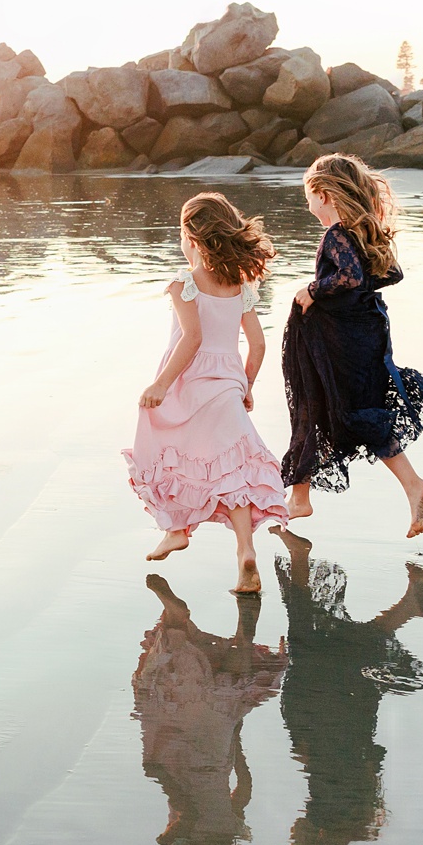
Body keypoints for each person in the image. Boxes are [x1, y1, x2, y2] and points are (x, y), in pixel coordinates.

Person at [124, 192, 289, 594]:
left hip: (189, 382)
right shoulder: (240, 285)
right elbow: (259, 345)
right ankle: (245, 551)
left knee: (166, 447)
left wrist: (160, 385)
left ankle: (176, 528)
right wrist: (246, 387)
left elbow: (192, 339)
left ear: (192, 240)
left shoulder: (184, 283)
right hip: (229, 381)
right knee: (231, 468)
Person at [283, 154, 423, 537]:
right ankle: (300, 498)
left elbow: (350, 276)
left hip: (339, 340)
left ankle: (411, 485)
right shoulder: (361, 232)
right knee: (332, 406)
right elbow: (391, 273)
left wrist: (313, 290)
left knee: (328, 407)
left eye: (309, 196)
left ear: (324, 194)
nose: (307, 205)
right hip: (365, 334)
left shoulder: (337, 233)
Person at [270, 527, 423, 845]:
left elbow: (374, 756)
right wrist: (303, 748)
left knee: (350, 647)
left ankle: (409, 607)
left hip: (353, 715)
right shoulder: (328, 804)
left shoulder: (353, 809)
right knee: (305, 631)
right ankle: (299, 555)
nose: (292, 830)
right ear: (312, 837)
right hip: (320, 714)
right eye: (295, 838)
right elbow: (322, 756)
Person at [130, 574, 288, 845]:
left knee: (229, 688)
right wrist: (159, 775)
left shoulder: (232, 832)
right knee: (174, 687)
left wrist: (237, 738)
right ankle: (176, 620)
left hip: (217, 756)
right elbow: (180, 816)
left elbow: (243, 789)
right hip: (179, 759)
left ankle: (244, 625)